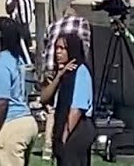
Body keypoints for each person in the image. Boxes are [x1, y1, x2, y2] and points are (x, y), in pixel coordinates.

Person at [0, 18, 38, 166]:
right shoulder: (16, 59)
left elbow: (2, 103)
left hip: (11, 125)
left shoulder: (1, 64)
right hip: (27, 121)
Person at [39, 33, 96, 166]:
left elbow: (77, 108)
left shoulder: (81, 71)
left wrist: (65, 135)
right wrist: (59, 76)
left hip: (77, 128)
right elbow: (43, 98)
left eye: (63, 48)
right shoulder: (64, 74)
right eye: (57, 48)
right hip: (62, 124)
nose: (58, 52)